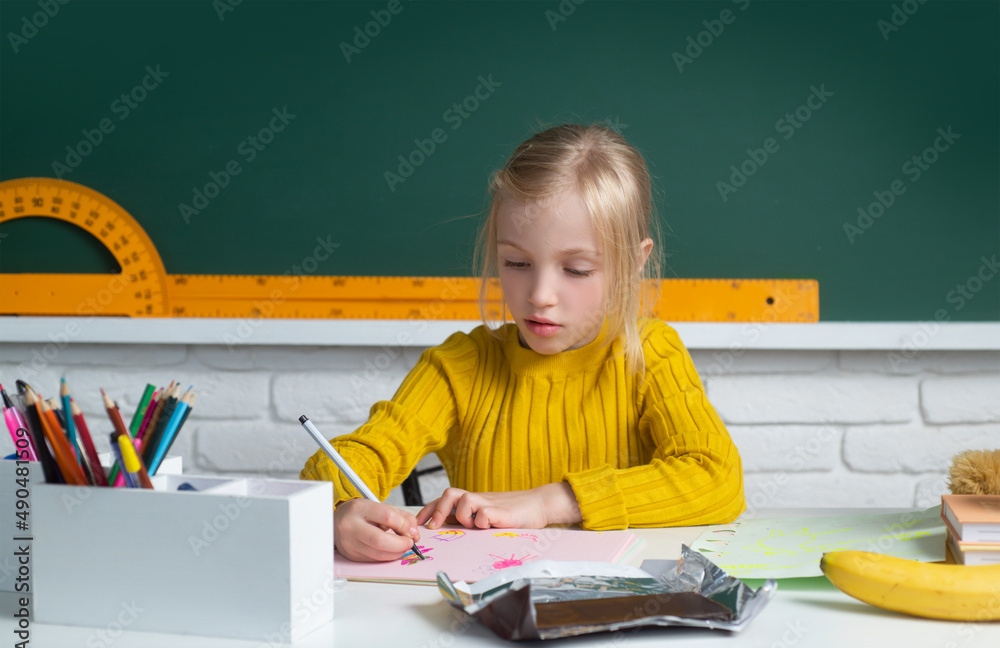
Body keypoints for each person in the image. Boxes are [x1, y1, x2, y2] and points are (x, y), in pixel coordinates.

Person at [300, 123, 745, 562]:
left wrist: (550, 502)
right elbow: (351, 457)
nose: (540, 295)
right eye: (516, 262)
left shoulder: (650, 353)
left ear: (632, 263)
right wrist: (338, 511)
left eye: (576, 270)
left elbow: (717, 479)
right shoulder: (462, 364)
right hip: (486, 617)